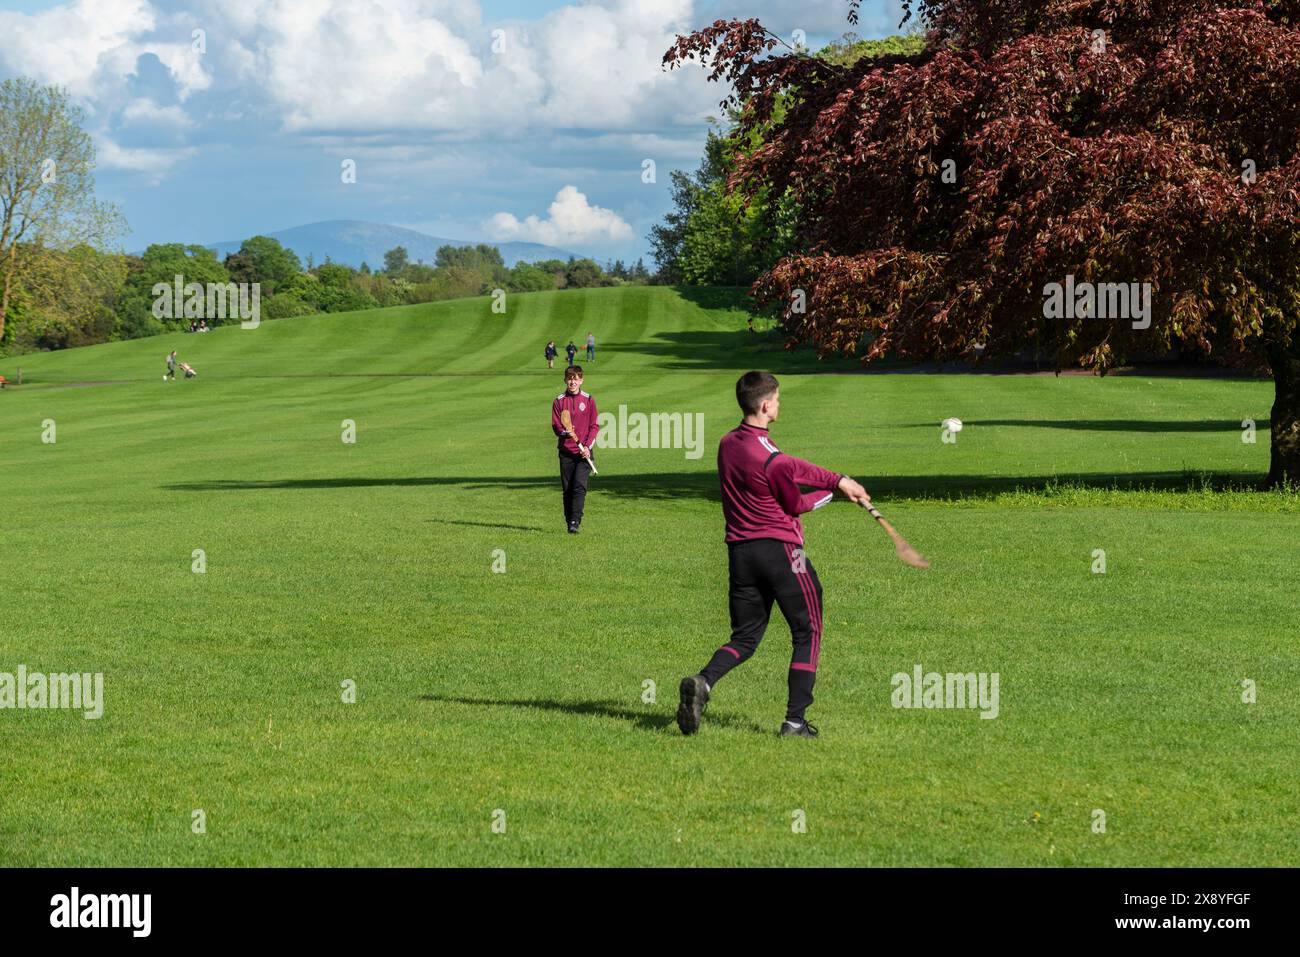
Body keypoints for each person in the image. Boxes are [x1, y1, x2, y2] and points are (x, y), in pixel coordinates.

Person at [677, 371, 872, 739]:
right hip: (783, 552)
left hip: (740, 554)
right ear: (766, 405)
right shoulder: (771, 459)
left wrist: (837, 479)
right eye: (778, 400)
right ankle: (795, 722)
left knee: (746, 637)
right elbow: (795, 500)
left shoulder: (727, 443)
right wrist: (834, 491)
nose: (779, 405)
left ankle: (703, 681)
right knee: (808, 629)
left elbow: (790, 467)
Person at [550, 365, 599, 534]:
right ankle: (568, 520)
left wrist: (587, 446)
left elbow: (594, 426)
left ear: (581, 380)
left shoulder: (589, 400)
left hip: (583, 452)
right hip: (566, 452)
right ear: (565, 380)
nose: (573, 381)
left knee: (579, 486)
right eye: (570, 378)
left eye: (576, 378)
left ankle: (575, 521)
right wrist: (566, 431)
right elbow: (556, 426)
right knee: (568, 488)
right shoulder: (558, 401)